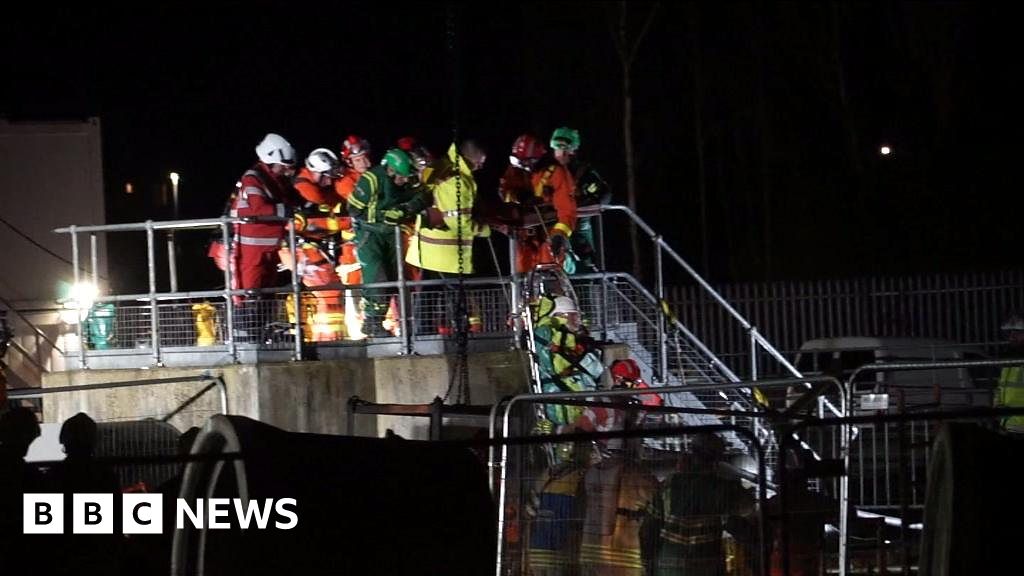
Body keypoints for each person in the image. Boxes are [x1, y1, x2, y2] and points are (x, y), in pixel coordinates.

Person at [649, 433, 757, 576]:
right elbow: (747, 507)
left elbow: (649, 529)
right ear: (717, 460)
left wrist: (648, 565)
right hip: (705, 564)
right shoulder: (722, 488)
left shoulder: (669, 484)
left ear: (691, 453)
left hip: (668, 564)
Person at [347, 148, 418, 337]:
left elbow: (416, 198)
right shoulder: (371, 180)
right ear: (391, 171)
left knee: (397, 278)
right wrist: (381, 215)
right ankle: (372, 321)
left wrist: (408, 209)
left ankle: (405, 323)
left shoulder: (405, 183)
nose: (404, 181)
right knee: (377, 277)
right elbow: (353, 209)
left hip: (392, 234)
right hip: (370, 236)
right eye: (402, 177)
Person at [283, 148, 351, 341]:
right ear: (317, 173)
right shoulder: (309, 193)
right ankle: (329, 339)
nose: (330, 181)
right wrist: (346, 222)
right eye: (328, 177)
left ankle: (331, 337)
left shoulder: (311, 188)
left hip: (305, 248)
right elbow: (316, 222)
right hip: (304, 249)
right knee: (329, 291)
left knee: (330, 290)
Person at [229, 133, 298, 319]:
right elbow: (258, 208)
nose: (285, 170)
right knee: (251, 294)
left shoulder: (275, 181)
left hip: (269, 248)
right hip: (252, 250)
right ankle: (249, 334)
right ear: (270, 160)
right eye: (283, 166)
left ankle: (264, 331)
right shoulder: (252, 178)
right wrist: (286, 210)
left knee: (268, 295)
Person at [499, 133, 577, 274]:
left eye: (525, 162)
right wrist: (517, 196)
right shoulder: (515, 170)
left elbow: (567, 210)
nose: (521, 166)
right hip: (523, 239)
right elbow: (504, 192)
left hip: (548, 236)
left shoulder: (556, 173)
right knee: (522, 281)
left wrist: (559, 234)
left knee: (550, 278)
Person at [549, 127, 610, 274]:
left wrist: (580, 204)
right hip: (551, 224)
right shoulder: (547, 172)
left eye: (565, 148)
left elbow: (603, 194)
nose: (560, 153)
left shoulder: (583, 173)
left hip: (579, 228)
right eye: (557, 148)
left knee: (583, 267)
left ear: (573, 149)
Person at [995, 314, 1024, 432]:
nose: (1012, 337)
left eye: (1018, 333)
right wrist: (997, 409)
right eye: (1010, 333)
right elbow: (1000, 388)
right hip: (1008, 424)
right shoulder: (1009, 359)